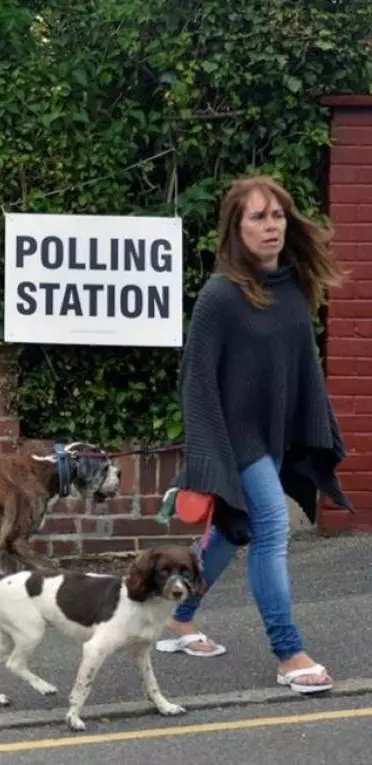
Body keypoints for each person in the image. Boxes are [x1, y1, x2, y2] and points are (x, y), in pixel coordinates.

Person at [159, 175, 350, 695]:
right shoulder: (220, 296)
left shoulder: (293, 288)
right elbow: (196, 381)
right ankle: (289, 653)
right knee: (270, 524)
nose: (270, 226)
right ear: (235, 228)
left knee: (230, 529)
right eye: (257, 217)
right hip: (232, 436)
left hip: (271, 434)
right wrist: (208, 454)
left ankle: (177, 618)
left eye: (277, 216)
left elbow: (300, 366)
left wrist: (311, 427)